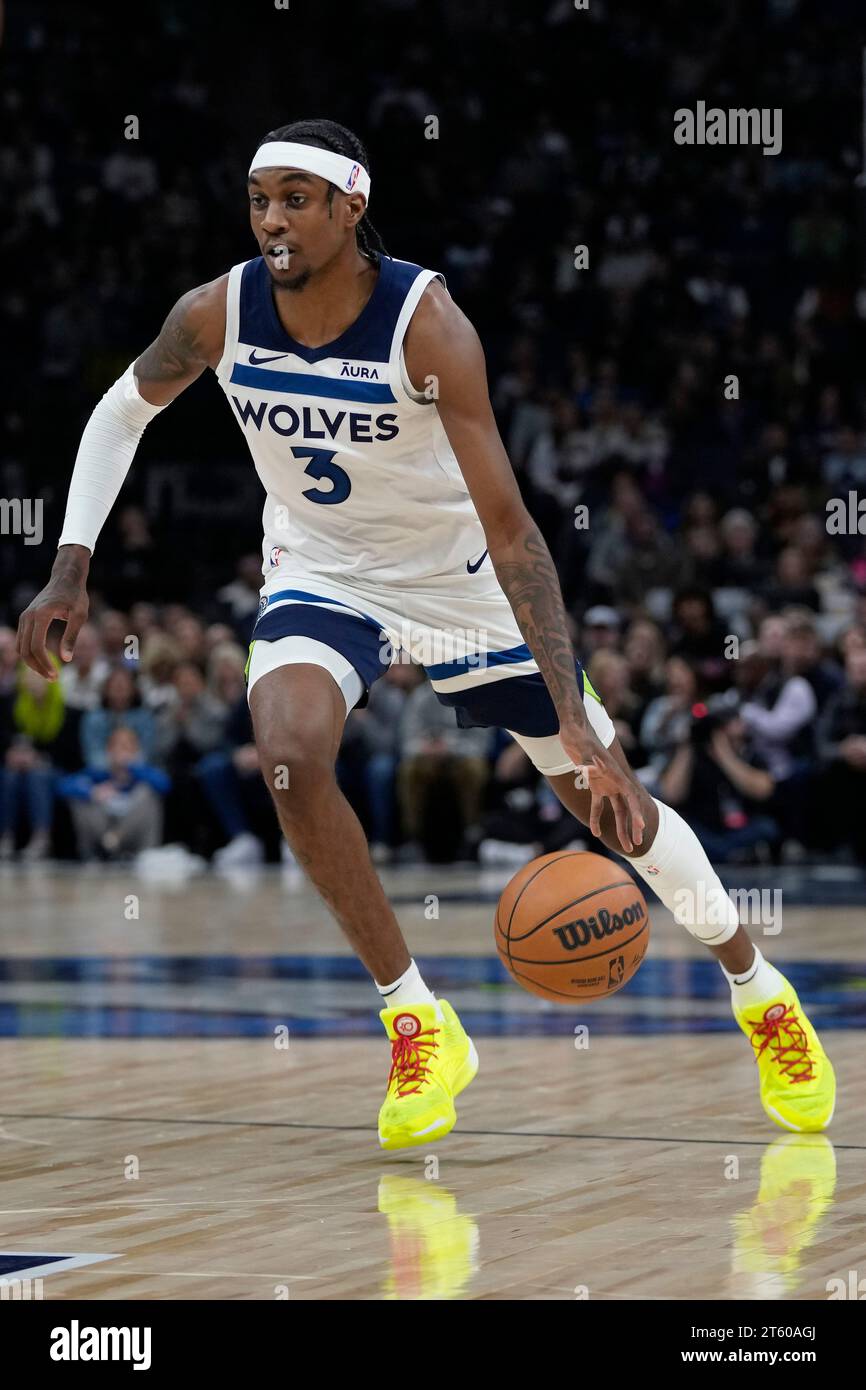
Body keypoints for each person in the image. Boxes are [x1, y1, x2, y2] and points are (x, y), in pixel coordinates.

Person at [17, 117, 835, 1147]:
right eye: (258, 198)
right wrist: (71, 562)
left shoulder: (426, 323)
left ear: (350, 206)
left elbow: (511, 528)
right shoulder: (217, 312)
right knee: (286, 756)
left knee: (609, 808)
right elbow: (120, 410)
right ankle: (416, 1018)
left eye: (295, 200)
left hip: (461, 584)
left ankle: (756, 991)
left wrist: (579, 722)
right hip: (323, 571)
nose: (272, 219)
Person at [59, 725, 169, 861]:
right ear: (108, 751)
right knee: (80, 798)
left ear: (136, 751)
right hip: (103, 833)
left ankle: (119, 838)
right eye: (115, 746)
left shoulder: (143, 773)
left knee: (147, 793)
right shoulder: (99, 773)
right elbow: (64, 786)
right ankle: (91, 855)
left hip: (133, 836)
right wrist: (93, 792)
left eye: (126, 747)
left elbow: (165, 785)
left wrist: (132, 767)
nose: (120, 752)